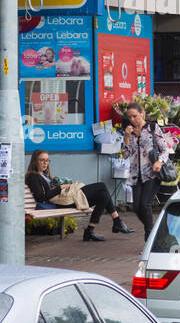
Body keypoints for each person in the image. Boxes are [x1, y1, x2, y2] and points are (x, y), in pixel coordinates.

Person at [25, 150, 133, 242]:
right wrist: (61, 187)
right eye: (42, 160)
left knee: (103, 196)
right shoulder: (32, 176)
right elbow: (41, 197)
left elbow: (49, 192)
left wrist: (62, 187)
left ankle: (90, 230)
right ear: (35, 161)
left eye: (47, 160)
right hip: (60, 203)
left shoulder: (44, 175)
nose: (45, 163)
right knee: (101, 186)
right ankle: (116, 222)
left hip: (65, 200)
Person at [121, 102, 166, 242]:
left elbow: (165, 149)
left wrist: (160, 161)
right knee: (136, 207)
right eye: (129, 117)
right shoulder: (129, 131)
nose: (132, 119)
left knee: (145, 204)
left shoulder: (152, 128)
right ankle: (154, 232)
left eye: (135, 116)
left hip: (151, 173)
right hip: (136, 175)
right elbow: (125, 155)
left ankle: (149, 239)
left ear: (142, 114)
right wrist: (127, 138)